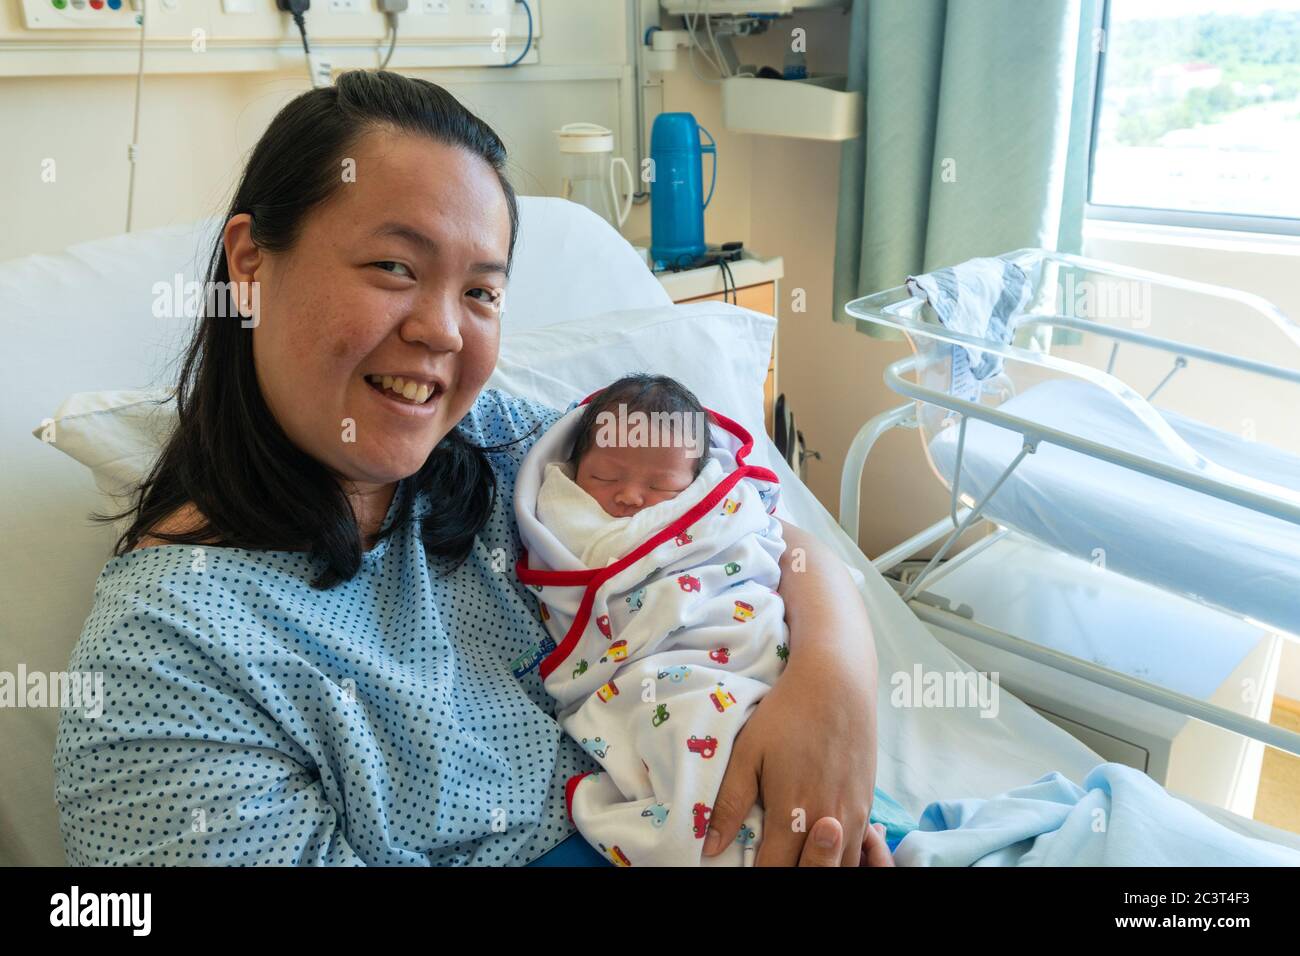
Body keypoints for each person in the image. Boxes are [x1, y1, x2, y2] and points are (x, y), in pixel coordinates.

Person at [53, 69, 882, 866]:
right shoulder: (166, 659)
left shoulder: (518, 457)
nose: (443, 330)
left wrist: (833, 679)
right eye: (394, 268)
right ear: (250, 263)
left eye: (481, 292)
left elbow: (745, 538)